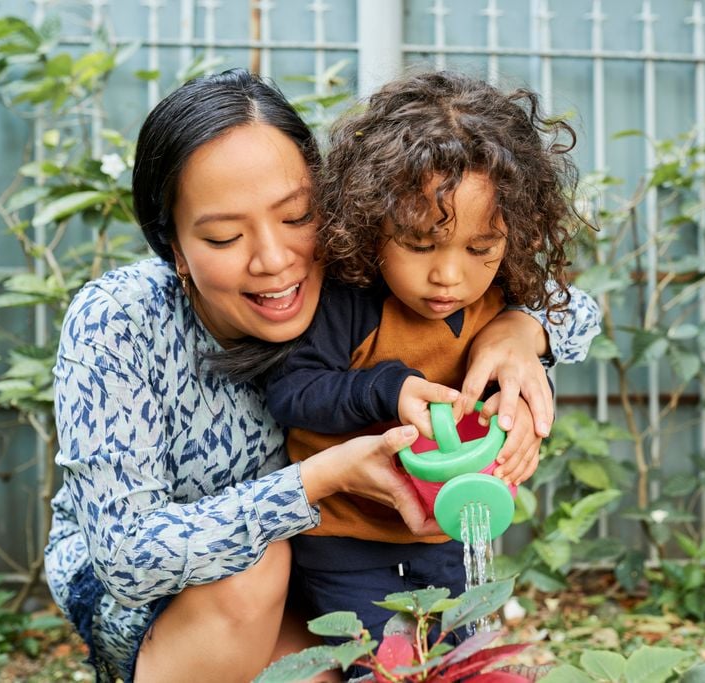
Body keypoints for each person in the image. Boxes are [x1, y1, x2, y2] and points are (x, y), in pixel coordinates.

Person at [43, 69, 598, 683]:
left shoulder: (371, 253)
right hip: (171, 599)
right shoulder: (120, 321)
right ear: (172, 243)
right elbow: (127, 560)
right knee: (257, 572)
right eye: (225, 236)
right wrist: (319, 479)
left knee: (405, 662)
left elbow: (556, 296)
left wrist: (520, 332)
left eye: (296, 216)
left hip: (325, 582)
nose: (274, 259)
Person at [264, 70, 601, 655]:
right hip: (349, 537)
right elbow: (291, 392)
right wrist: (388, 389)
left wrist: (515, 416)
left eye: (480, 249)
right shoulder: (351, 301)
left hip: (451, 529)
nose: (449, 275)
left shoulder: (500, 302)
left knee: (458, 655)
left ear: (513, 238)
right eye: (420, 244)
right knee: (387, 663)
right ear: (372, 223)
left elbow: (577, 318)